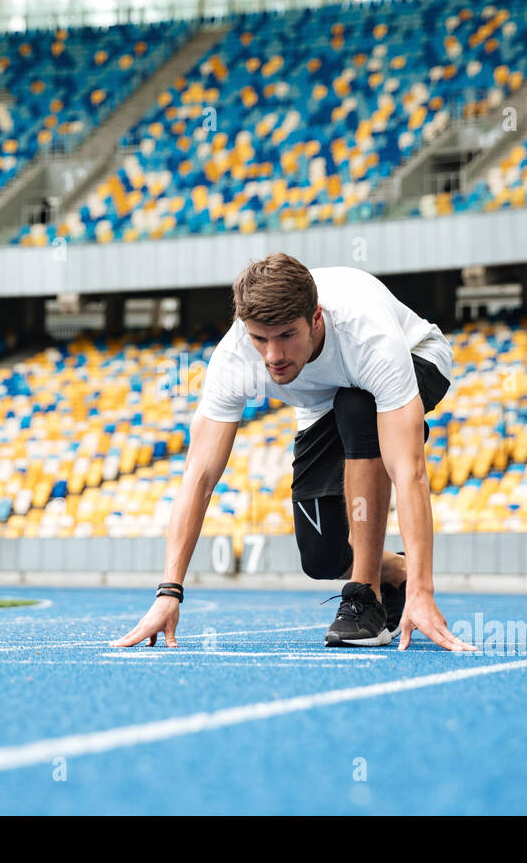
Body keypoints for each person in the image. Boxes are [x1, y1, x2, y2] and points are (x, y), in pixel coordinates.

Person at [111, 253, 475, 652]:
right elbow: (198, 476)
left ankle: (365, 598)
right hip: (321, 400)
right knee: (323, 557)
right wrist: (169, 592)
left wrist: (424, 589)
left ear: (315, 318)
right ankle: (395, 571)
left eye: (286, 335)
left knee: (357, 407)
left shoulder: (368, 337)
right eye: (260, 339)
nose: (273, 357)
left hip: (418, 356)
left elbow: (409, 472)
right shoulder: (235, 357)